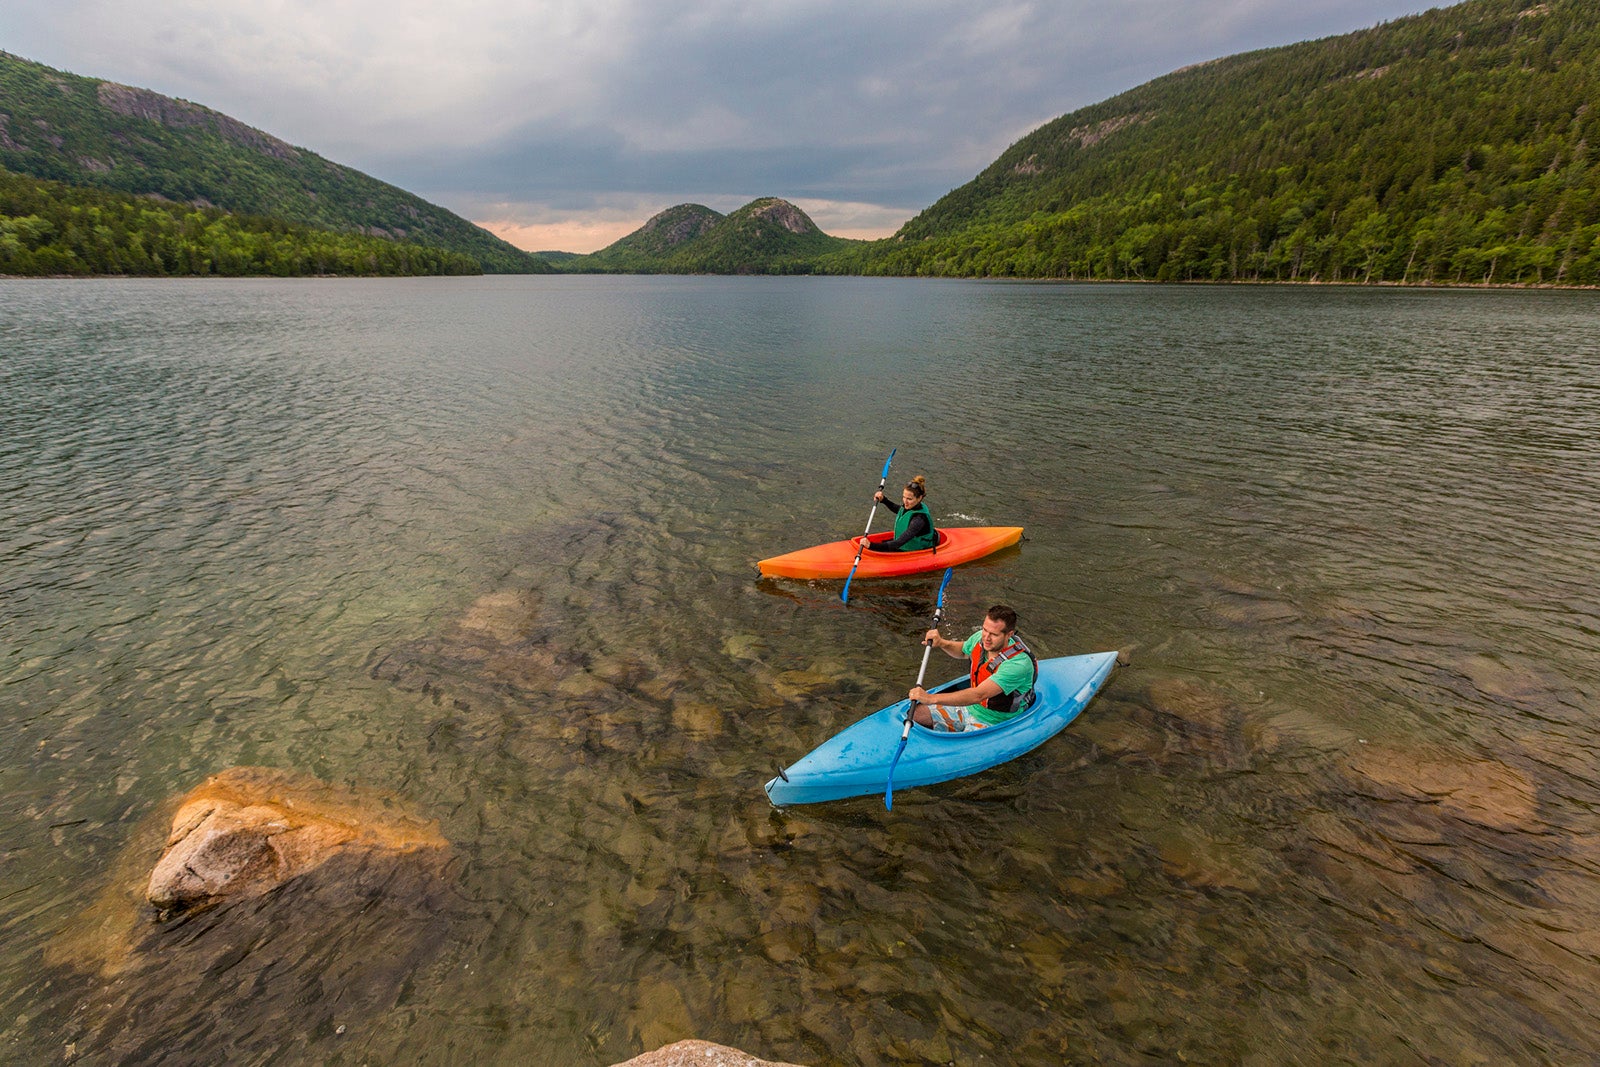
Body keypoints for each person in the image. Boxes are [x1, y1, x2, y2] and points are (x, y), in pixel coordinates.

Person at [908, 604, 1037, 732]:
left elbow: (978, 695)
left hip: (994, 721)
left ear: (1009, 635)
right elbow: (963, 651)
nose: (986, 637)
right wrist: (942, 643)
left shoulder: (1018, 665)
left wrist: (930, 698)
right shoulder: (981, 639)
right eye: (985, 629)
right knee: (915, 714)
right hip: (969, 708)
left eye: (994, 634)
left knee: (958, 749)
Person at [866, 475, 938, 552]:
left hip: (912, 549)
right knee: (882, 544)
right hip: (903, 544)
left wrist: (870, 545)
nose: (905, 501)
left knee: (880, 548)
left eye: (909, 499)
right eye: (904, 497)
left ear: (919, 498)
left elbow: (898, 543)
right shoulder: (912, 506)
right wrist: (884, 500)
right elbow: (900, 510)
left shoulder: (919, 520)